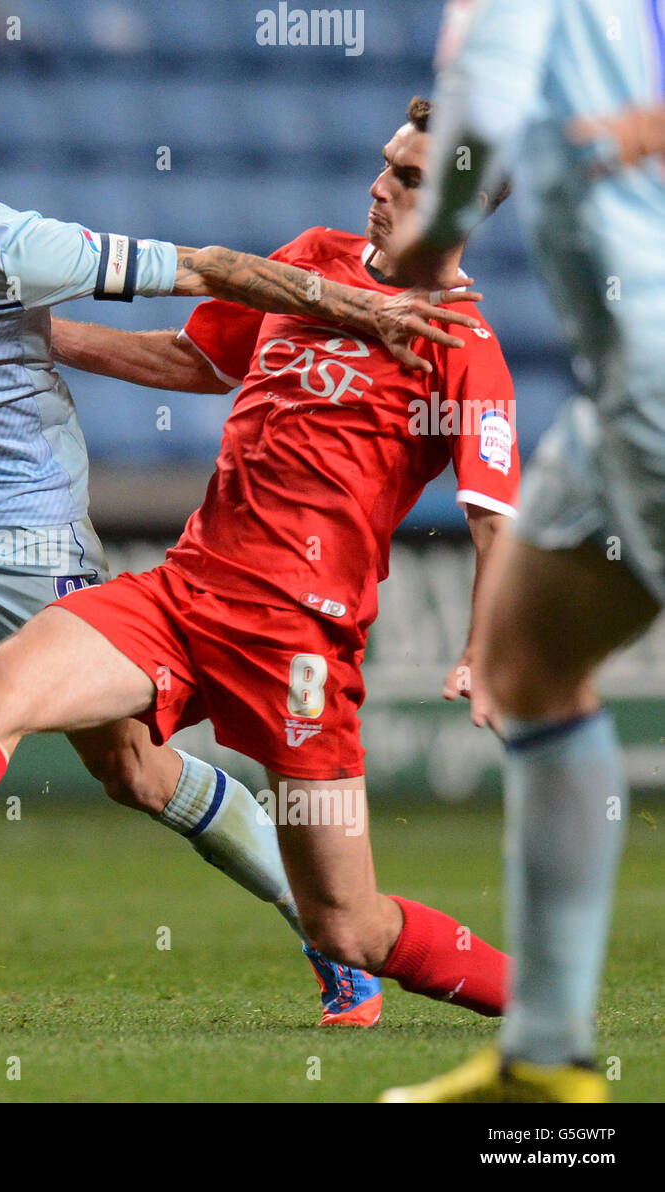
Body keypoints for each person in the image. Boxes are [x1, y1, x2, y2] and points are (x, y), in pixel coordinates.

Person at [0, 102, 524, 1028]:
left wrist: (489, 649)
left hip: (299, 639)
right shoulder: (313, 255)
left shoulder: (464, 348)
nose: (378, 186)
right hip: (184, 591)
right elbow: (191, 360)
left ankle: (532, 998)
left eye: (407, 178)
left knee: (348, 922)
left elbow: (493, 520)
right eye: (386, 165)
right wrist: (19, 331)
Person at [381, 0, 665, 1103]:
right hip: (616, 394)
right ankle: (544, 1054)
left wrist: (436, 224)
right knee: (528, 672)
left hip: (649, 376)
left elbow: (486, 99)